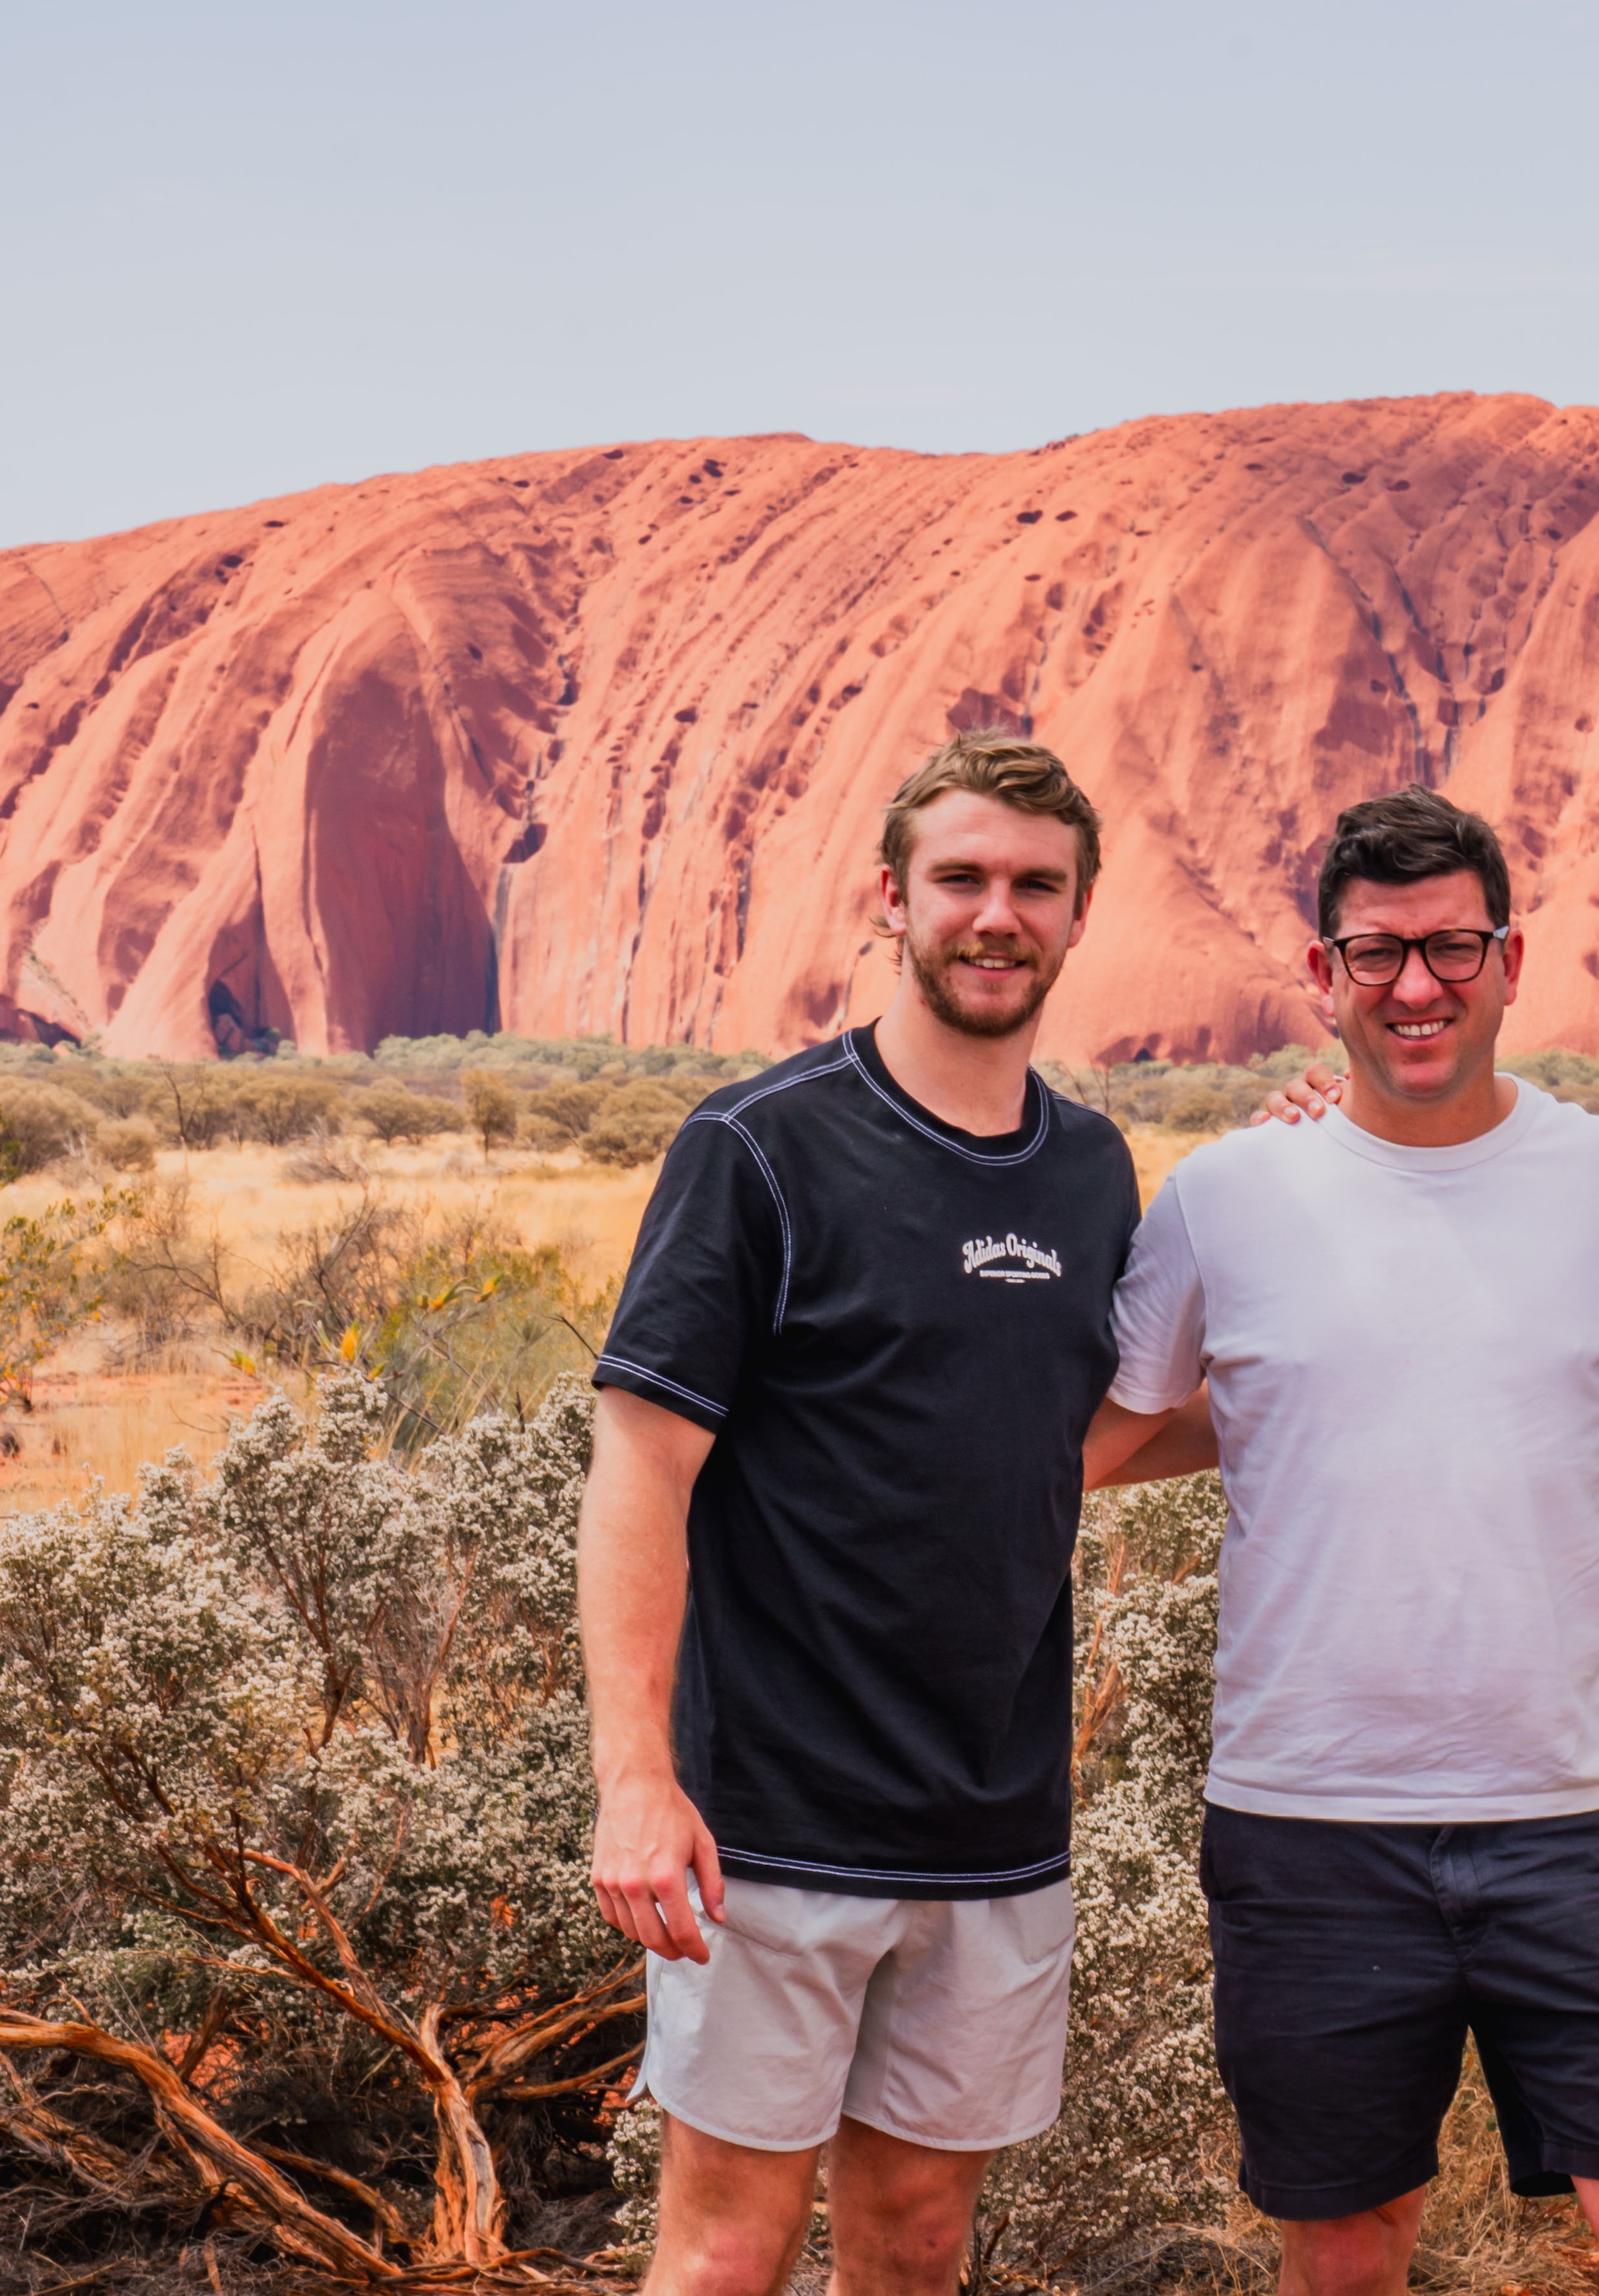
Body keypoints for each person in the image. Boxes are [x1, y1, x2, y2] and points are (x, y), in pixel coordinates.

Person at [1081, 787, 1599, 2296]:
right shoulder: (1227, 1197)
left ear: (1510, 959)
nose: (1418, 986)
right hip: (1309, 1816)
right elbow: (1099, 1443)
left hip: (1573, 1812)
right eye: (1376, 954)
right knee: (1348, 2241)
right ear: (1323, 977)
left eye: (1451, 946)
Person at [580, 733, 1142, 2296]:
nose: (995, 912)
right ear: (890, 898)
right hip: (770, 1824)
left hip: (993, 1823)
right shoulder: (761, 1147)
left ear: (1080, 914)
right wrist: (636, 1778)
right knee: (720, 2253)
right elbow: (641, 1470)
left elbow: (1066, 1433)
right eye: (960, 877)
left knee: (917, 2241)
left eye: (1036, 883)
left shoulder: (1091, 1167)